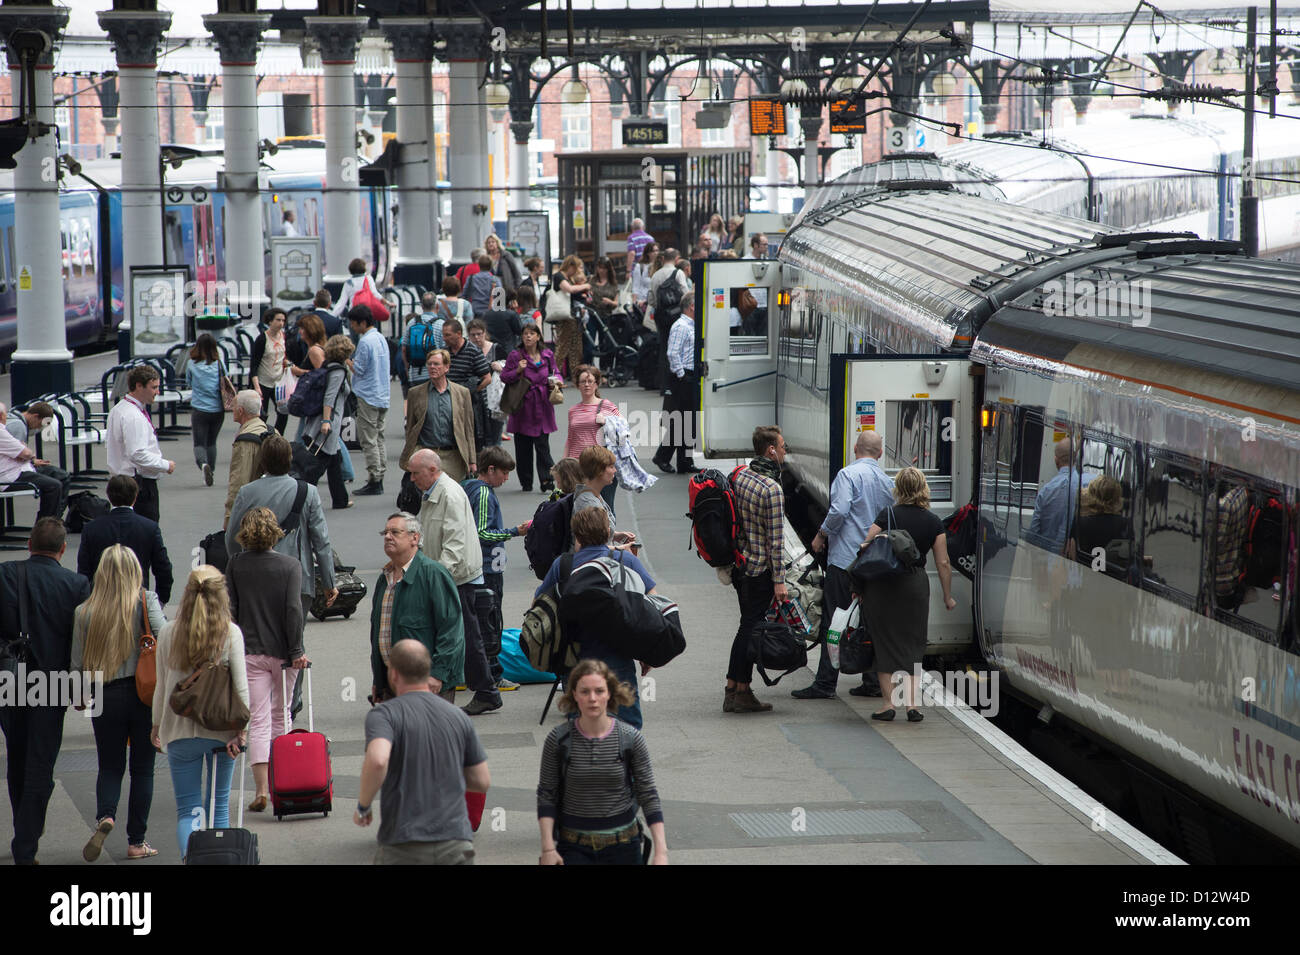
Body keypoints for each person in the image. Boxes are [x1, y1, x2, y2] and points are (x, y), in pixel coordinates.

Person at [0, 518, 92, 864]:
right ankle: (26, 841)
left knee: (18, 756)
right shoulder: (76, 584)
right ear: (63, 549)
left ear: (28, 544)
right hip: (52, 685)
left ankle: (25, 830)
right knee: (41, 763)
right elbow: (79, 643)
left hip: (10, 680)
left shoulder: (5, 574)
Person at [357, 639, 489, 865]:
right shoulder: (457, 716)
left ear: (394, 674)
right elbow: (481, 780)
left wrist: (364, 805)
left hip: (405, 843)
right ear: (427, 671)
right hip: (456, 841)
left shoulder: (385, 715)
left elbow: (378, 760)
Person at [71, 544, 166, 861]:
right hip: (143, 693)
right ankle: (137, 841)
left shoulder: (84, 611)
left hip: (103, 694)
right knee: (143, 769)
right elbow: (165, 639)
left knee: (109, 765)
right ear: (136, 571)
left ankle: (105, 816)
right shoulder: (145, 601)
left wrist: (79, 695)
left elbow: (77, 663)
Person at [150, 566, 249, 860]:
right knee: (218, 805)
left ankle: (190, 859)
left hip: (179, 730)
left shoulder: (168, 632)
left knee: (188, 809)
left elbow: (161, 686)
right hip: (221, 730)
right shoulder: (230, 633)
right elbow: (242, 690)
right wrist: (242, 732)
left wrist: (157, 725)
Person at [793, 431, 894, 700]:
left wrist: (821, 534)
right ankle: (872, 681)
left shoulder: (848, 475)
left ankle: (825, 682)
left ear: (854, 448)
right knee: (871, 621)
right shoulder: (886, 481)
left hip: (845, 561)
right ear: (880, 454)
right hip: (876, 562)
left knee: (835, 620)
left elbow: (839, 510)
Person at [537, 658, 667, 865]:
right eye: (584, 691)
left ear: (610, 693)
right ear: (574, 696)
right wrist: (548, 848)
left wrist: (661, 851)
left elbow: (648, 793)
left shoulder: (630, 738)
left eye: (599, 691)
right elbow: (547, 794)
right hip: (573, 848)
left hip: (623, 846)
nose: (592, 698)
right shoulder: (559, 739)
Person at [536, 509, 655, 729]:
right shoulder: (625, 559)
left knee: (581, 729)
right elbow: (652, 603)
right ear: (608, 532)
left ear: (576, 535)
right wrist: (647, 650)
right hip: (620, 655)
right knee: (628, 726)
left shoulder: (562, 565)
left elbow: (540, 605)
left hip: (575, 659)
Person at [226, 507, 307, 812]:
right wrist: (296, 650)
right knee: (281, 714)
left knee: (257, 719)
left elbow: (231, 609)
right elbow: (293, 611)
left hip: (250, 650)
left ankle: (261, 790)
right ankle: (282, 782)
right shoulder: (290, 566)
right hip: (285, 653)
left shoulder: (235, 565)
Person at [408, 449, 500, 715]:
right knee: (461, 636)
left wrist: (434, 579)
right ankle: (480, 690)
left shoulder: (448, 494)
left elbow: (455, 546)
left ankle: (486, 692)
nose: (412, 479)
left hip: (457, 579)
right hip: (450, 575)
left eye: (416, 473)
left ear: (433, 471)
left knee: (467, 638)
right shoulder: (435, 491)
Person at [862, 467, 956, 722]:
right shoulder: (933, 521)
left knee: (884, 644)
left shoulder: (887, 514)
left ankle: (888, 704)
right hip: (915, 586)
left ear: (899, 488)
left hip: (884, 586)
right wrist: (948, 596)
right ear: (924, 488)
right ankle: (912, 705)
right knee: (914, 644)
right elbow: (943, 562)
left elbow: (865, 546)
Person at [226, 433, 338, 618]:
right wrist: (329, 582)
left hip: (257, 579)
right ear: (290, 458)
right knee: (294, 640)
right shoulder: (308, 492)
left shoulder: (247, 492)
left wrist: (240, 567)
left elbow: (232, 538)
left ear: (262, 460)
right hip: (298, 579)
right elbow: (321, 541)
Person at [370, 512, 465, 705]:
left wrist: (438, 674)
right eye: (385, 532)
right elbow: (379, 633)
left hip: (427, 683)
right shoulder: (384, 579)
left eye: (395, 532)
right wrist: (379, 681)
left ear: (415, 538)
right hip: (392, 683)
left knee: (431, 735)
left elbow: (452, 631)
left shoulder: (433, 574)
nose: (388, 536)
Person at [726, 426, 788, 715]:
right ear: (771, 450)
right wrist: (780, 582)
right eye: (783, 446)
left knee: (746, 626)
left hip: (740, 565)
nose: (785, 452)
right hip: (760, 571)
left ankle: (734, 687)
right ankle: (740, 692)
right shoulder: (772, 489)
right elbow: (776, 542)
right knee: (749, 629)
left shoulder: (741, 476)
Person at [463, 447, 532, 692]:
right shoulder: (483, 493)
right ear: (490, 469)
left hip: (477, 567)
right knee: (489, 622)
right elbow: (482, 532)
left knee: (474, 623)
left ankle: (469, 673)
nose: (507, 478)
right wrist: (515, 531)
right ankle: (492, 674)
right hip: (487, 568)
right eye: (504, 472)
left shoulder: (469, 486)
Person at [78, 474, 174, 604]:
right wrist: (159, 602)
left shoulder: (91, 528)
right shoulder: (149, 528)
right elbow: (163, 569)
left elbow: (84, 571)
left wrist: (89, 602)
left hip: (102, 602)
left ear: (108, 496)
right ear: (135, 496)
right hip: (136, 601)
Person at [106, 364, 175, 523]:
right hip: (138, 484)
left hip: (123, 481)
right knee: (145, 531)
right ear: (139, 386)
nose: (158, 392)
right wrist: (165, 465)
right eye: (154, 387)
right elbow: (136, 454)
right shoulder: (133, 417)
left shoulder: (119, 409)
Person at [298, 333, 356, 510]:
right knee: (318, 464)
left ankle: (341, 499)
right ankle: (300, 498)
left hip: (328, 421)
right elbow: (329, 398)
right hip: (329, 422)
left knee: (334, 463)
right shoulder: (338, 371)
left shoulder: (329, 366)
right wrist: (326, 421)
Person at [500, 322, 560, 493]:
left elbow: (555, 372)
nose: (528, 336)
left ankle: (547, 480)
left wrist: (557, 381)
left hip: (543, 405)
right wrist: (518, 370)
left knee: (543, 445)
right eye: (525, 333)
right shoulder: (515, 355)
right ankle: (526, 482)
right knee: (523, 447)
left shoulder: (547, 354)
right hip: (523, 406)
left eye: (532, 333)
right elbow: (505, 377)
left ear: (538, 336)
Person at [401, 350, 477, 482]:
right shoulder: (415, 393)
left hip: (453, 456)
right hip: (427, 455)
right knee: (427, 496)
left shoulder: (462, 393)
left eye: (436, 364)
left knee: (452, 498)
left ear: (446, 367)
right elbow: (411, 428)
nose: (432, 367)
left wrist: (472, 460)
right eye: (429, 364)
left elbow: (468, 430)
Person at [566, 365, 622, 514]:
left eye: (590, 381)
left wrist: (607, 421)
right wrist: (565, 463)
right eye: (583, 381)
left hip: (601, 466)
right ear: (577, 384)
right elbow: (570, 439)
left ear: (597, 383)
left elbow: (624, 430)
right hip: (579, 466)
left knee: (605, 509)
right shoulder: (573, 410)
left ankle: (608, 536)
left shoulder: (607, 405)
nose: (587, 384)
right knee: (581, 510)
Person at [653, 296, 700, 475]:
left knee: (688, 420)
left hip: (689, 375)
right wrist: (682, 375)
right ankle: (663, 456)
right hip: (683, 377)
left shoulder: (690, 325)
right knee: (682, 421)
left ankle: (685, 461)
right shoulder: (681, 326)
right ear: (692, 306)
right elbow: (672, 353)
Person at [349, 304, 392, 496]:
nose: (352, 326)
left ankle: (375, 478)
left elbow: (358, 368)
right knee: (379, 437)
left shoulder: (365, 342)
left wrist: (346, 359)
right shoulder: (380, 337)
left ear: (362, 322)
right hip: (382, 393)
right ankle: (379, 474)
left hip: (368, 395)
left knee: (368, 440)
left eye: (354, 323)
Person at [1, 400, 70, 518]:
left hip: (18, 468)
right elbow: (22, 454)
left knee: (61, 476)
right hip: (12, 473)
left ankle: (54, 519)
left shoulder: (15, 420)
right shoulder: (16, 426)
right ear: (35, 416)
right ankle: (47, 526)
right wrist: (31, 458)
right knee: (54, 485)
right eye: (40, 425)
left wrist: (30, 458)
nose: (39, 429)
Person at [1025, 437, 1092, 555]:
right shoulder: (1088, 486)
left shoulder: (1046, 491)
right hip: (1076, 562)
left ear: (1056, 460)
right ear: (1075, 458)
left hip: (1047, 559)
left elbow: (1033, 533)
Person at [185, 333, 228, 485]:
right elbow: (226, 380)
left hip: (199, 409)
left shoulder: (192, 363)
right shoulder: (219, 363)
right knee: (211, 442)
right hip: (218, 409)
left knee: (199, 443)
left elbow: (188, 381)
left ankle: (203, 464)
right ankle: (212, 471)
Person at [573, 445, 636, 548]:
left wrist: (614, 535)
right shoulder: (589, 504)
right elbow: (585, 547)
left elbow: (593, 535)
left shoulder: (594, 494)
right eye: (611, 467)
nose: (615, 470)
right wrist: (621, 549)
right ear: (599, 470)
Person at [223, 390, 268, 527]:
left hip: (252, 512)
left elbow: (238, 482)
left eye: (234, 405)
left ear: (241, 411)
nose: (231, 408)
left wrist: (229, 518)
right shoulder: (270, 431)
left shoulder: (245, 441)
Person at [250, 308, 291, 436]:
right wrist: (256, 387)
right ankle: (260, 440)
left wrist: (289, 365)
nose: (281, 323)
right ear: (270, 321)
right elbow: (254, 364)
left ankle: (277, 438)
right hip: (263, 381)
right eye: (278, 320)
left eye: (283, 320)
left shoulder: (284, 337)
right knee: (262, 415)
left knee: (283, 412)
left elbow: (285, 357)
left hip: (279, 382)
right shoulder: (262, 339)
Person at [467, 318, 507, 448]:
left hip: (495, 398)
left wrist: (501, 367)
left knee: (495, 433)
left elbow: (509, 369)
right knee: (478, 435)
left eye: (479, 334)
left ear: (485, 333)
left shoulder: (496, 348)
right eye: (473, 335)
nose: (477, 337)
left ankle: (496, 462)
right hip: (475, 398)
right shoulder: (467, 350)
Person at [550, 255, 590, 382]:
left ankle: (575, 376)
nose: (577, 271)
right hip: (564, 316)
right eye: (577, 267)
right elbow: (569, 289)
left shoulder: (568, 277)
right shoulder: (559, 276)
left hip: (573, 316)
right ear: (571, 266)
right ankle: (554, 375)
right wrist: (585, 286)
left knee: (576, 347)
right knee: (563, 346)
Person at [403, 291, 446, 392]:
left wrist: (407, 369)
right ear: (437, 306)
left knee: (418, 405)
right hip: (436, 374)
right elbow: (445, 351)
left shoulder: (412, 322)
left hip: (415, 374)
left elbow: (404, 348)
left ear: (421, 306)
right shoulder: (441, 324)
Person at [480, 289, 524, 359]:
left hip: (490, 350)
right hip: (508, 351)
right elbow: (520, 331)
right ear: (509, 302)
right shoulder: (511, 315)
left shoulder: (486, 314)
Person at [290, 312, 328, 379]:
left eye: (302, 328)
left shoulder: (314, 350)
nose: (299, 332)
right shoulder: (316, 347)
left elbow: (322, 375)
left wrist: (298, 371)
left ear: (310, 330)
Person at [629, 242, 658, 315]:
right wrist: (633, 304)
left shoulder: (659, 266)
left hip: (655, 303)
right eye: (653, 251)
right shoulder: (640, 266)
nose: (655, 253)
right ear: (648, 253)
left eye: (657, 250)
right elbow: (635, 286)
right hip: (641, 302)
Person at [590, 256, 621, 321]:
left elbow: (616, 303)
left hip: (606, 316)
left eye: (604, 268)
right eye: (600, 267)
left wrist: (610, 302)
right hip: (592, 315)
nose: (601, 270)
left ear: (608, 269)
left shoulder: (613, 283)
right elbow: (585, 294)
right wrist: (588, 298)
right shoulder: (592, 280)